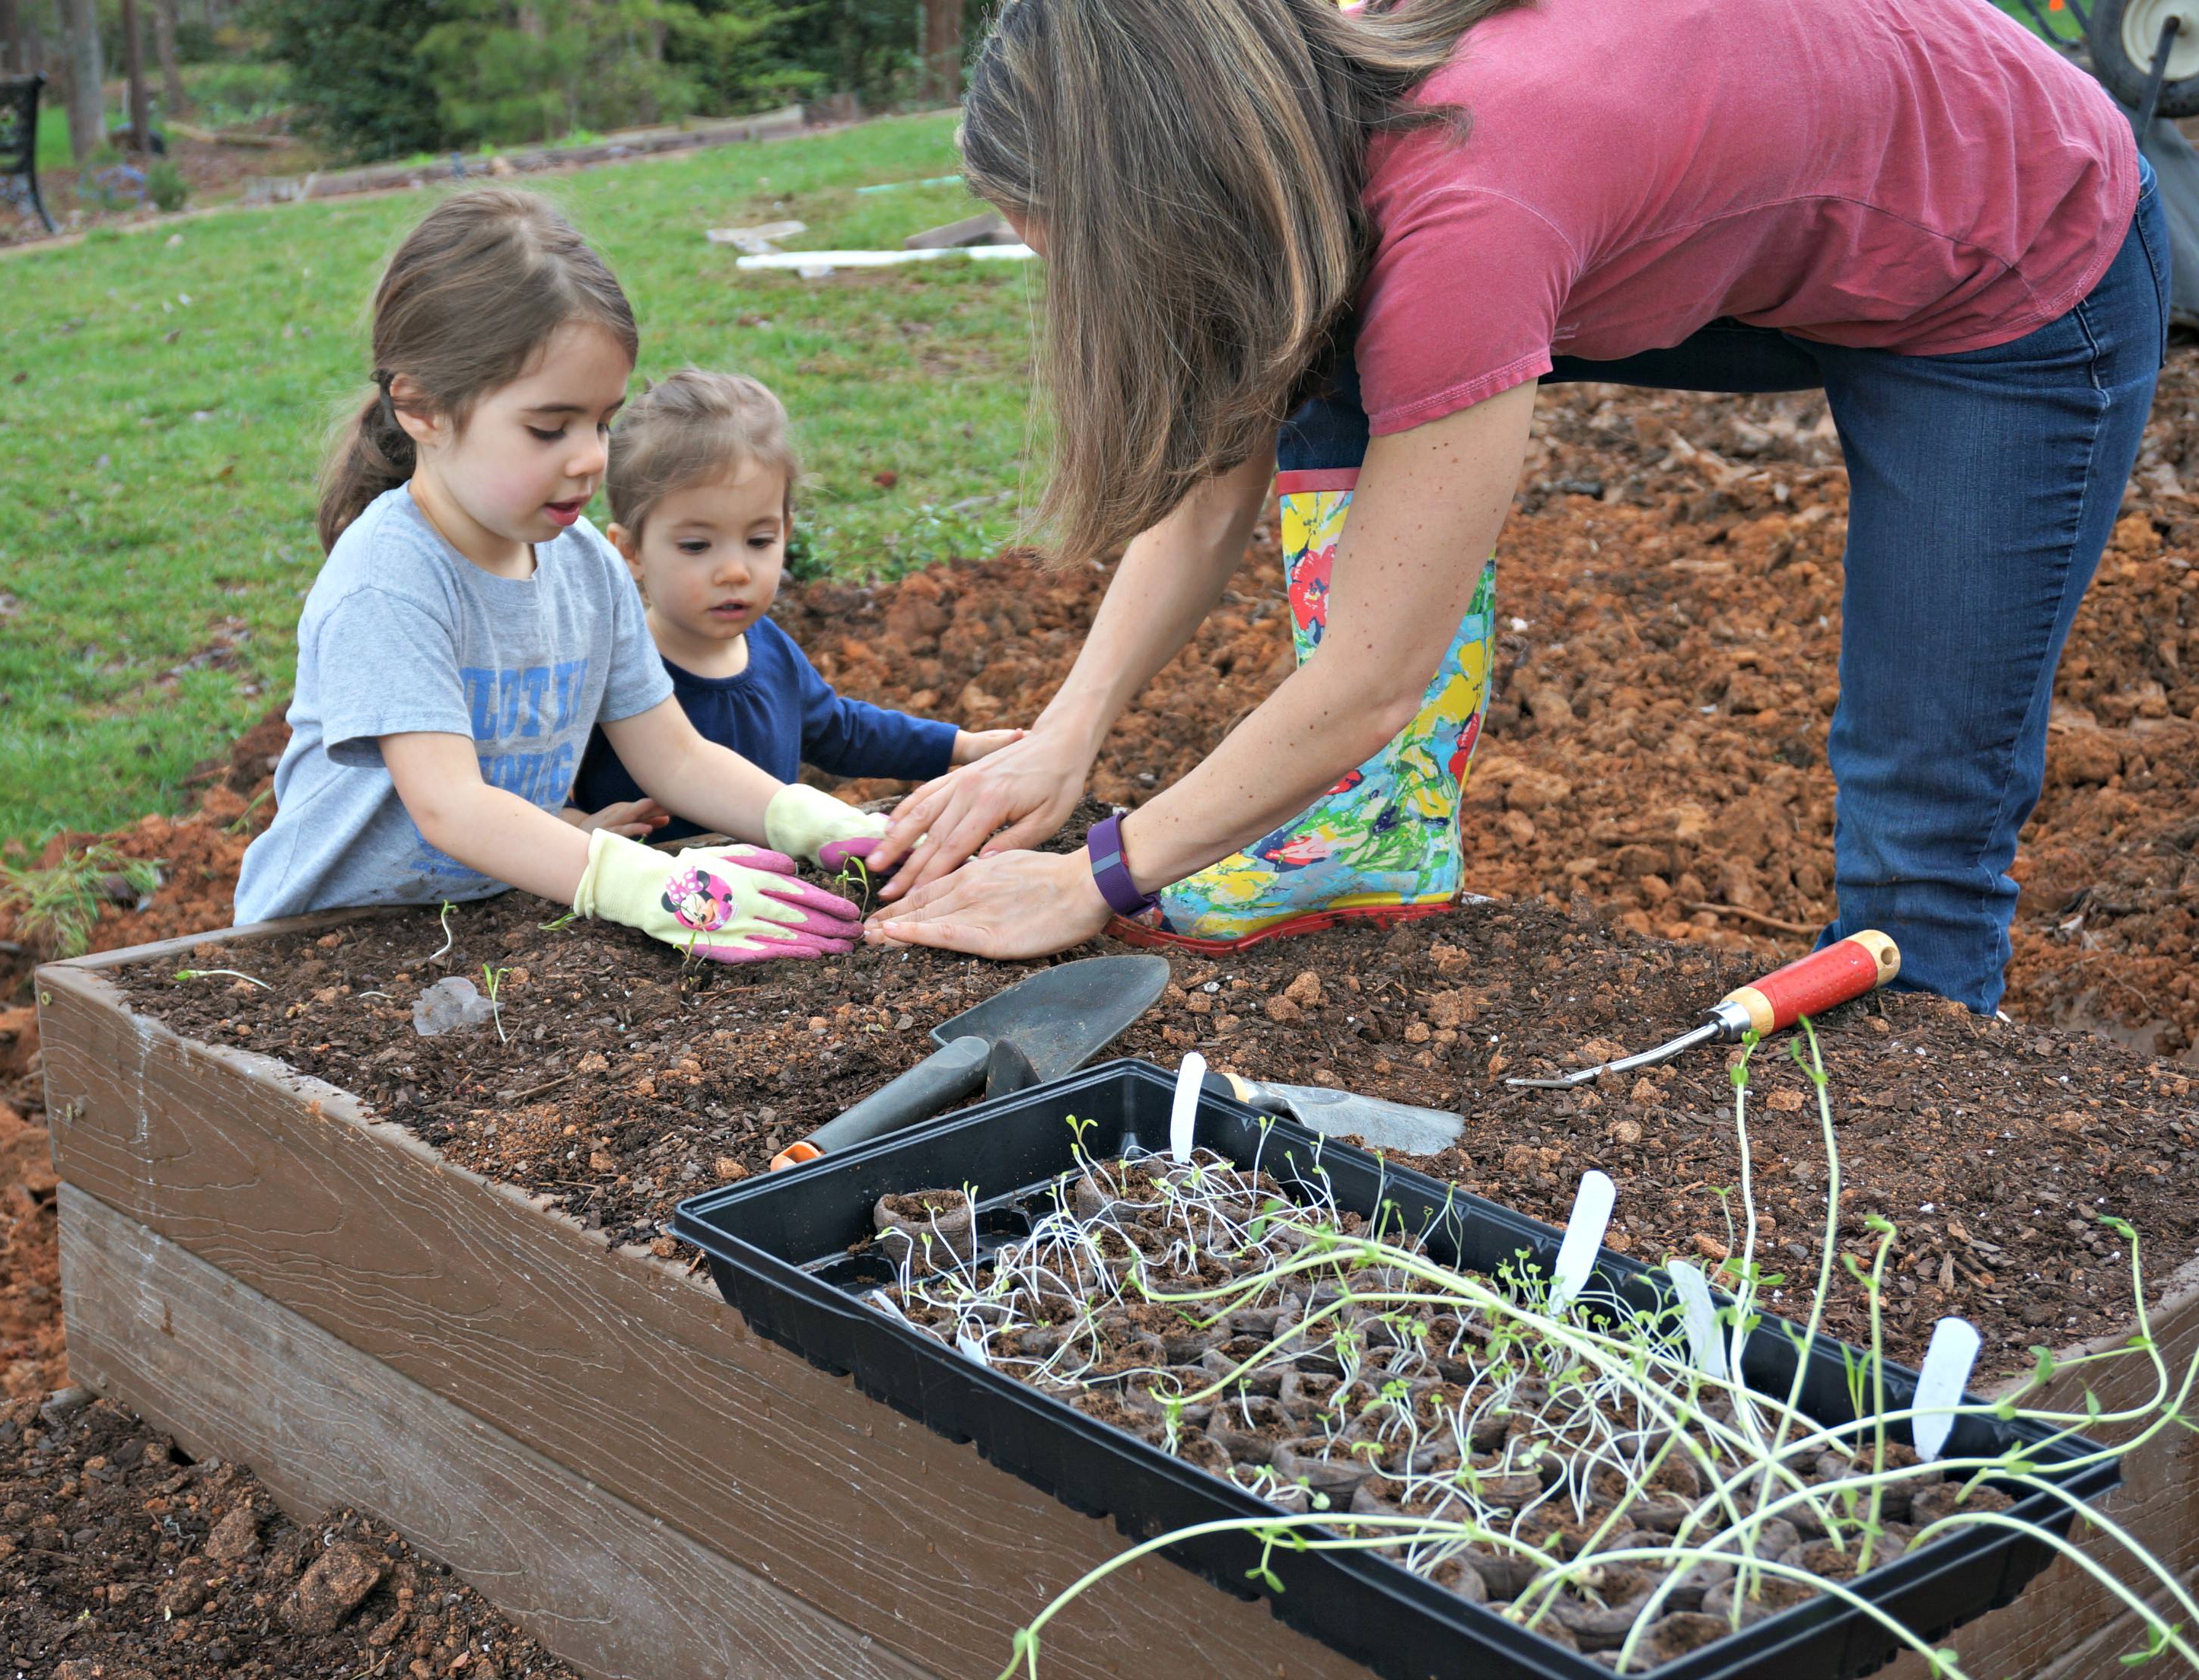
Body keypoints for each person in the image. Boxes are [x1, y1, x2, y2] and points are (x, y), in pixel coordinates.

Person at [865, 0, 2167, 1013]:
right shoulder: (1306, 123)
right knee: (1312, 330)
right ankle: (1373, 828)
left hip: (2011, 269)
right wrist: (1060, 735)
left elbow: (1374, 678)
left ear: (1168, 180)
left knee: (1920, 798)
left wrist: (1093, 876)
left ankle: (1915, 1164)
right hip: (1770, 214)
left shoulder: (1463, 198)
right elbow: (1220, 468)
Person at [231, 189, 884, 963]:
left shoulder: (589, 567)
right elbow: (452, 809)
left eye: (601, 422)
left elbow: (673, 757)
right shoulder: (389, 580)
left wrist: (813, 823)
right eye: (550, 428)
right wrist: (648, 887)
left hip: (479, 923)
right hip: (314, 950)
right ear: (422, 409)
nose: (590, 458)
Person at [568, 369, 1024, 845]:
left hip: (772, 886)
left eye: (759, 540)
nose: (735, 571)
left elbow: (842, 733)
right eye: (697, 546)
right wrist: (579, 825)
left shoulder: (771, 650)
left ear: (785, 531)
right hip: (654, 900)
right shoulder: (615, 671)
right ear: (630, 552)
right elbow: (535, 784)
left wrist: (961, 745)